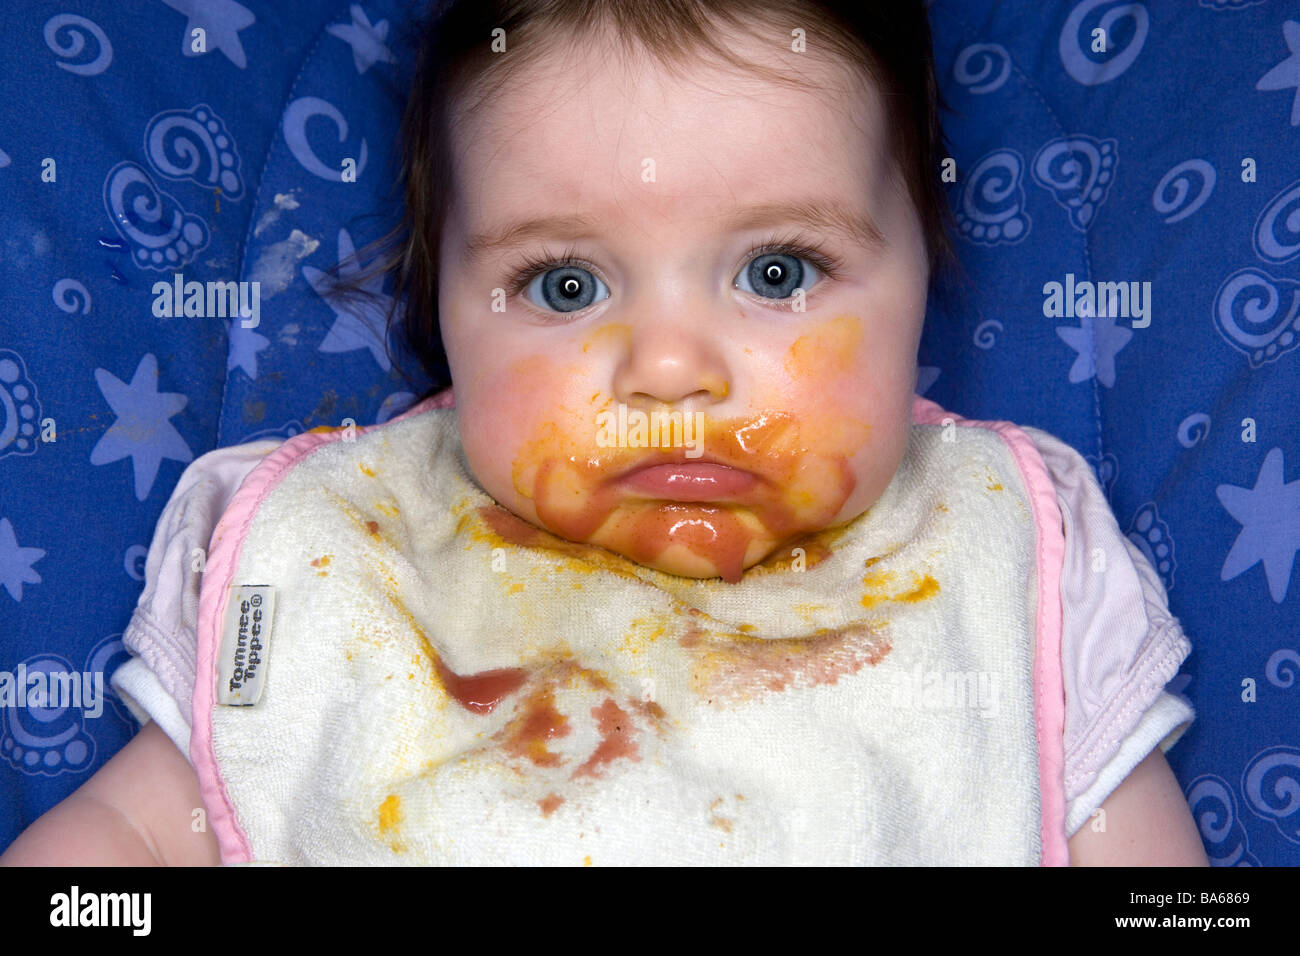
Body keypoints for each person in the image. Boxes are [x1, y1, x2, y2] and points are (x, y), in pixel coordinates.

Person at [1, 0, 1207, 865]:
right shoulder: (337, 557)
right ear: (441, 308)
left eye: (779, 267)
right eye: (565, 286)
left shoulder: (1001, 551)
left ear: (922, 278)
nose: (670, 366)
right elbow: (144, 832)